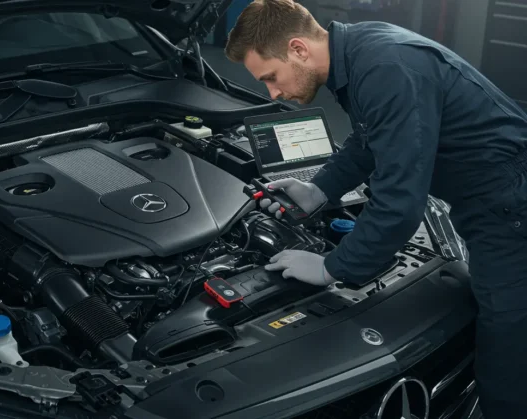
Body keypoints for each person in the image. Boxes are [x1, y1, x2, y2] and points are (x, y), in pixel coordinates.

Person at [224, 0, 527, 417]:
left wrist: (332, 267)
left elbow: (399, 204)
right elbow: (369, 139)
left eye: (271, 78)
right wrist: (319, 191)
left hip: (508, 207)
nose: (273, 93)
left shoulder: (386, 69)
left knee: (507, 335)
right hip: (491, 194)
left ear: (298, 49)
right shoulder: (361, 51)